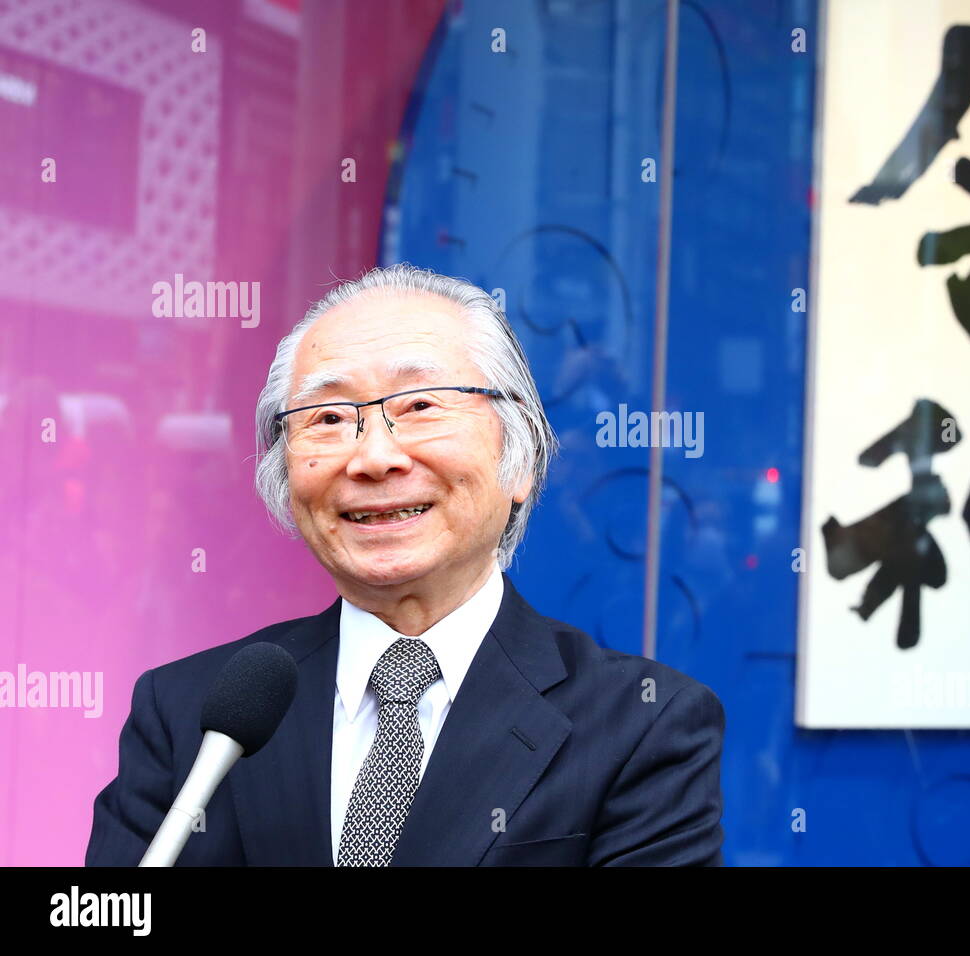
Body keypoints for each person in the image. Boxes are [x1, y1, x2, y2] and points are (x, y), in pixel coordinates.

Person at [85, 264, 725, 866]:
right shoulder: (188, 714)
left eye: (420, 406)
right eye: (329, 418)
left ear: (521, 457)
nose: (373, 458)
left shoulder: (644, 725)